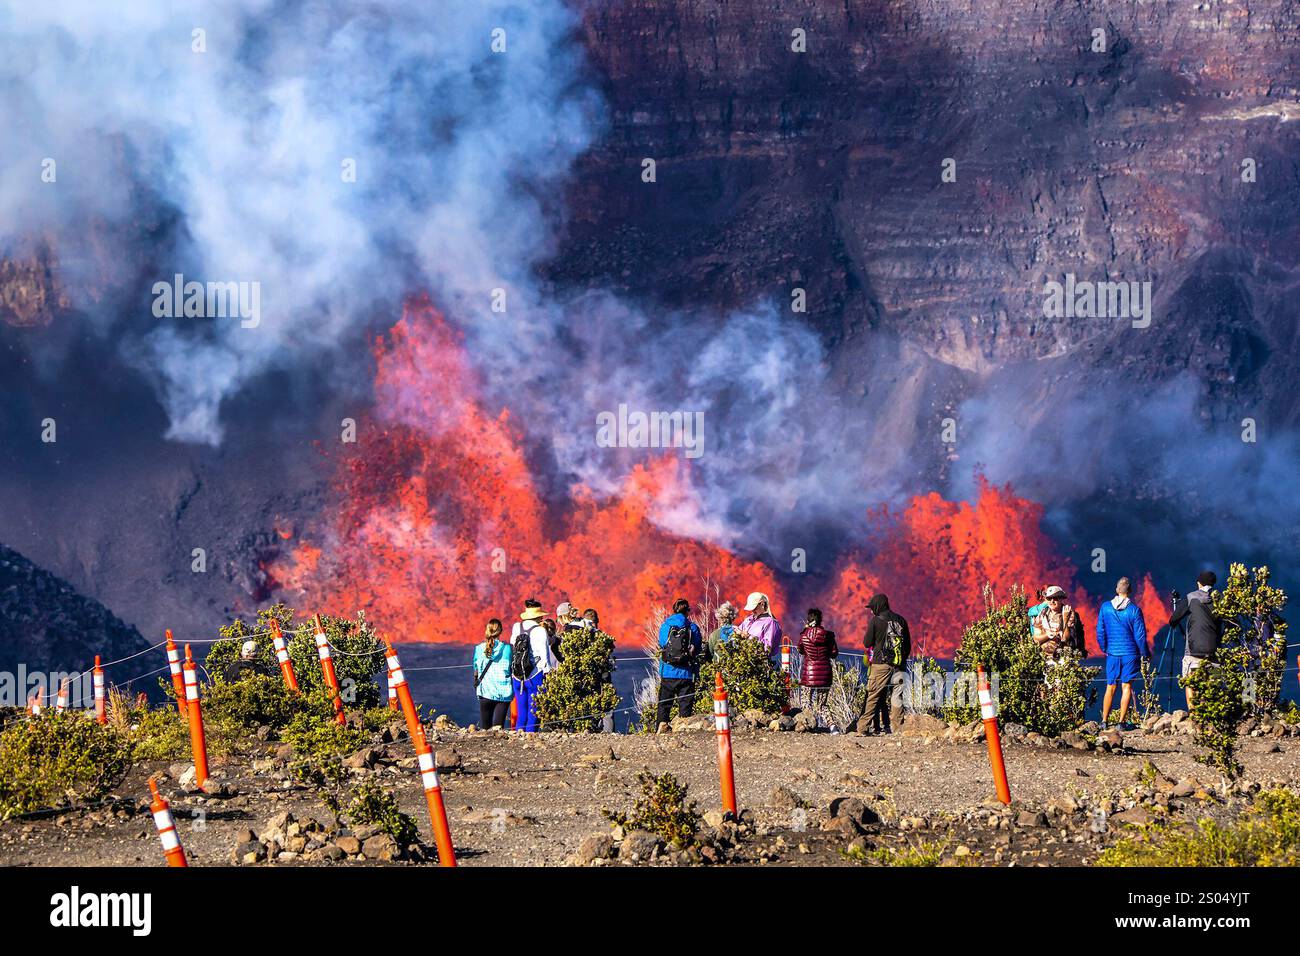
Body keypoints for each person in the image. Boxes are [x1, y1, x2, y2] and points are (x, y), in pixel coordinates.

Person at [1096, 577, 1149, 728]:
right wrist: (1145, 653)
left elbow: (1100, 631)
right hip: (1131, 654)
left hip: (1112, 653)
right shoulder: (1134, 610)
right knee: (1126, 687)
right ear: (1130, 591)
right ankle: (1121, 723)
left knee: (1110, 687)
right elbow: (1140, 636)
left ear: (1116, 590)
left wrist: (1104, 648)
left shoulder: (1105, 608)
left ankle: (1104, 721)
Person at [1169, 570, 1222, 709]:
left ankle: (1193, 714)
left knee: (1190, 682)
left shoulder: (1191, 597)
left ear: (1199, 583)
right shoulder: (1221, 599)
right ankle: (1211, 712)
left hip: (1193, 650)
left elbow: (1174, 619)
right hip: (1215, 650)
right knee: (1214, 683)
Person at [861, 593, 910, 735]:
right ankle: (898, 729)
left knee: (873, 695)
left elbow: (867, 642)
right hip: (899, 664)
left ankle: (863, 727)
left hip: (880, 664)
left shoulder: (875, 621)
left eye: (872, 607)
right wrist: (901, 660)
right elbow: (907, 645)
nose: (871, 610)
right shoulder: (901, 620)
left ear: (877, 606)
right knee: (897, 696)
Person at [656, 597, 703, 733]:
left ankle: (660, 732)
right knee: (685, 707)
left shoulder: (665, 626)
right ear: (687, 611)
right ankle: (683, 732)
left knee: (664, 705)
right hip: (687, 673)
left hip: (668, 671)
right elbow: (698, 648)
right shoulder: (692, 627)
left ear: (674, 610)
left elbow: (663, 644)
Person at [510, 599, 557, 732]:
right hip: (535, 674)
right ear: (538, 616)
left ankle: (519, 738)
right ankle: (530, 740)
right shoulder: (540, 631)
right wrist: (548, 673)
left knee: (521, 711)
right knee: (533, 712)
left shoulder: (516, 627)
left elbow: (513, 645)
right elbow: (544, 655)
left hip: (518, 674)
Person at [797, 608, 838, 720]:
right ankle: (832, 727)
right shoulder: (829, 636)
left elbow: (800, 650)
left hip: (808, 675)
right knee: (822, 705)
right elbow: (834, 653)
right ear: (820, 620)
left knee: (806, 703)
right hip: (825, 675)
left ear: (808, 620)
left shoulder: (803, 635)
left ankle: (808, 725)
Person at [473, 619, 513, 729]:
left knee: (485, 729)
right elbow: (510, 668)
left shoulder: (479, 649)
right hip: (503, 693)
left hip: (485, 692)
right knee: (498, 730)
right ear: (500, 631)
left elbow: (475, 669)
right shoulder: (508, 649)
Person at [1031, 585, 1081, 662]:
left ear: (1061, 599)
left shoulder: (1068, 613)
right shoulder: (1042, 613)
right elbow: (1036, 639)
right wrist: (1047, 635)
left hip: (1062, 659)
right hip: (1044, 658)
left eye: (1055, 598)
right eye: (1049, 598)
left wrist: (1065, 619)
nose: (1052, 601)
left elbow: (1065, 638)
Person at [737, 591, 783, 660]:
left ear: (762, 604)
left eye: (754, 608)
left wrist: (748, 637)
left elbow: (767, 649)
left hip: (760, 664)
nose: (752, 611)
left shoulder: (770, 623)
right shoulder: (749, 620)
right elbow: (738, 632)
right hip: (743, 661)